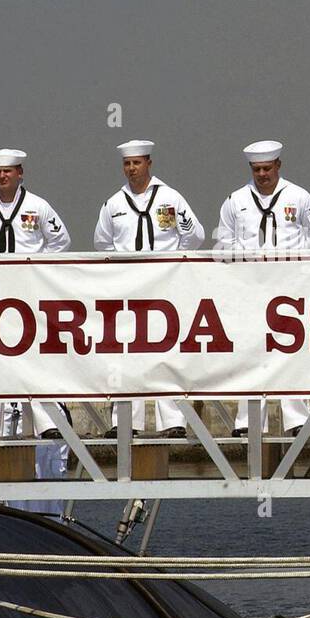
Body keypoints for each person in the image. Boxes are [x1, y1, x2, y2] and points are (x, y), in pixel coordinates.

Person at [0, 147, 72, 511]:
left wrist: (37, 270)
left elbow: (60, 242)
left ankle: (45, 421)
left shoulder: (39, 207)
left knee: (34, 362)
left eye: (8, 173)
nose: (2, 178)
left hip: (28, 292)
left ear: (20, 173)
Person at [215, 139, 310, 437]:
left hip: (289, 287)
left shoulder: (299, 197)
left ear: (278, 165)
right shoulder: (235, 201)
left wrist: (298, 269)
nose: (262, 174)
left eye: (267, 168)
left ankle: (296, 419)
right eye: (256, 169)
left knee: (290, 351)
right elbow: (223, 242)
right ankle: (249, 420)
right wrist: (244, 264)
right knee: (251, 353)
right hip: (251, 288)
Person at [94, 139, 204, 437]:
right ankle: (127, 422)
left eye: (137, 163)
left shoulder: (170, 198)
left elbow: (194, 236)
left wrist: (169, 264)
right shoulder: (114, 203)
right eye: (127, 164)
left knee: (166, 352)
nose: (132, 169)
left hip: (163, 287)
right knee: (126, 355)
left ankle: (173, 422)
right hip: (129, 290)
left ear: (149, 164)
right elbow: (102, 244)